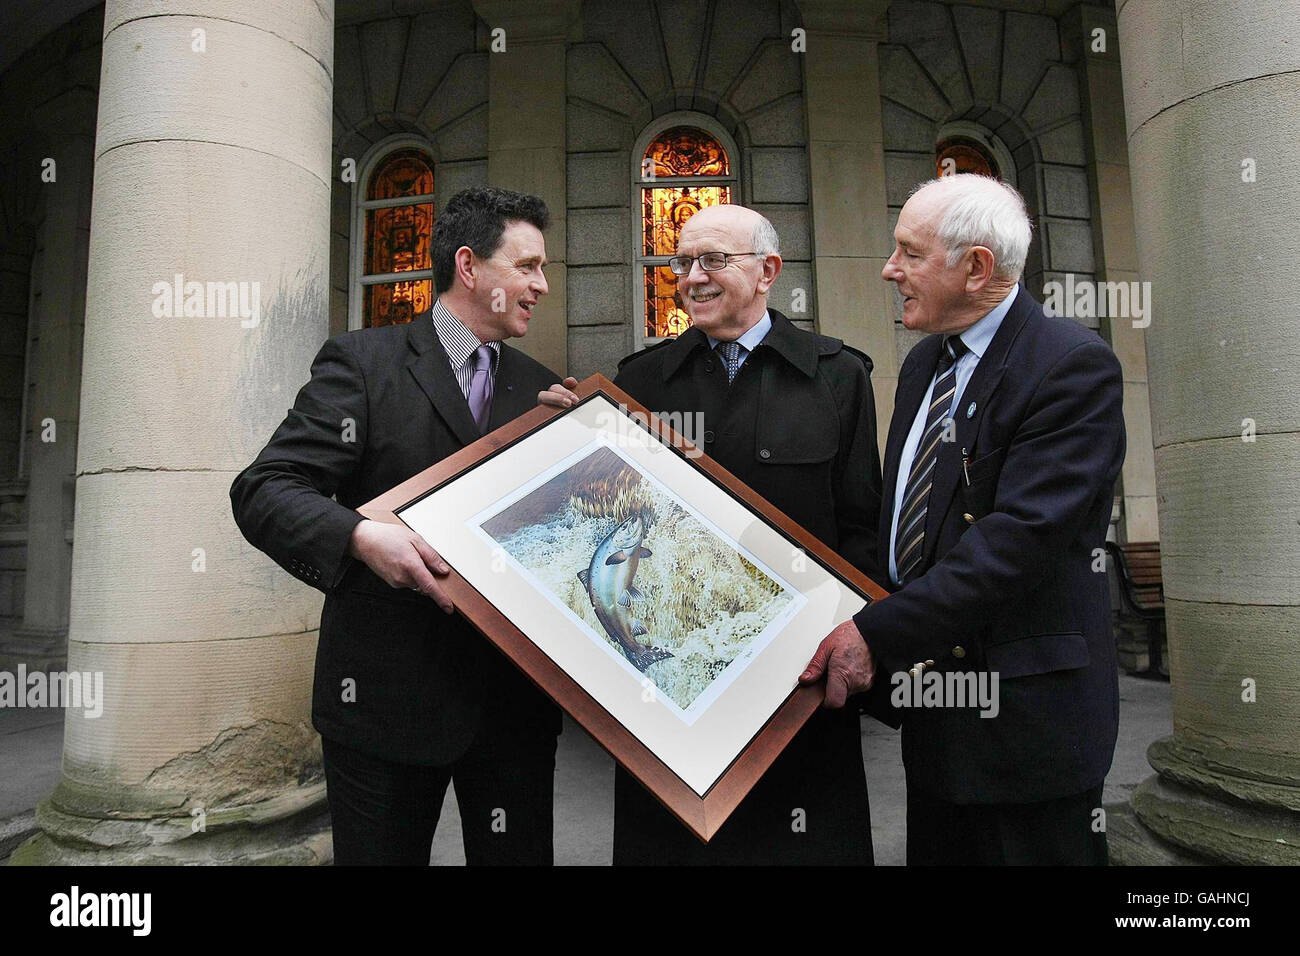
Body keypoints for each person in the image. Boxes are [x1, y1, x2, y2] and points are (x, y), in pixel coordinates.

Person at [800, 174, 1126, 865]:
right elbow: (908, 524)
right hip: (937, 725)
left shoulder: (1070, 366)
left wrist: (873, 633)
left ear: (976, 267)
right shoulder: (924, 364)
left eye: (909, 254)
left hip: (1024, 733)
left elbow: (1014, 545)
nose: (890, 270)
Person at [231, 186, 562, 865]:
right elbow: (265, 489)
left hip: (515, 714)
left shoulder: (545, 393)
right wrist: (358, 536)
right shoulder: (362, 363)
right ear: (469, 267)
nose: (543, 285)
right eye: (528, 266)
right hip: (384, 708)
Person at [544, 203, 885, 864]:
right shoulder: (640, 380)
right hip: (670, 698)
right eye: (682, 262)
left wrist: (861, 635)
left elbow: (861, 529)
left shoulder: (838, 376)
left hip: (796, 693)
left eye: (712, 261)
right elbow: (607, 524)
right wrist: (563, 447)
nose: (691, 277)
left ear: (768, 272)